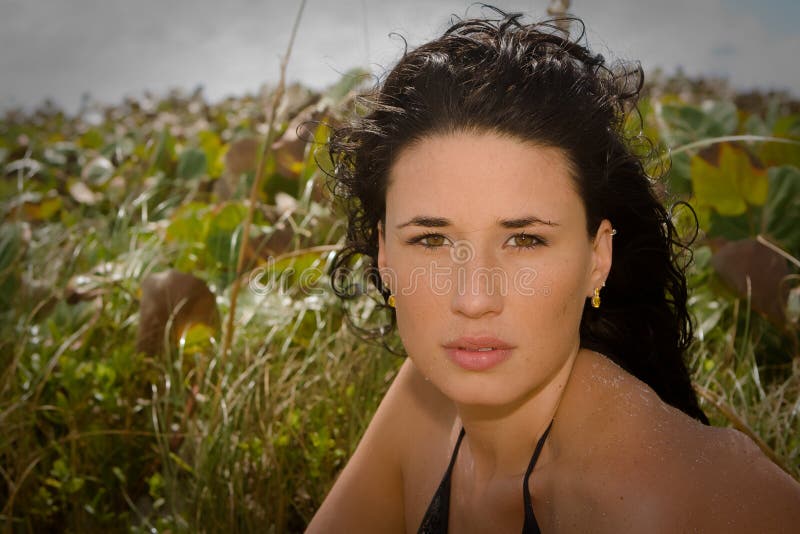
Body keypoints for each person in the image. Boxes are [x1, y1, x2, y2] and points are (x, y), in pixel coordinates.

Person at [307, 7, 800, 533]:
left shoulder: (662, 498)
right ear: (385, 255)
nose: (474, 299)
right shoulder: (424, 400)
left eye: (525, 240)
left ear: (598, 257)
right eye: (431, 239)